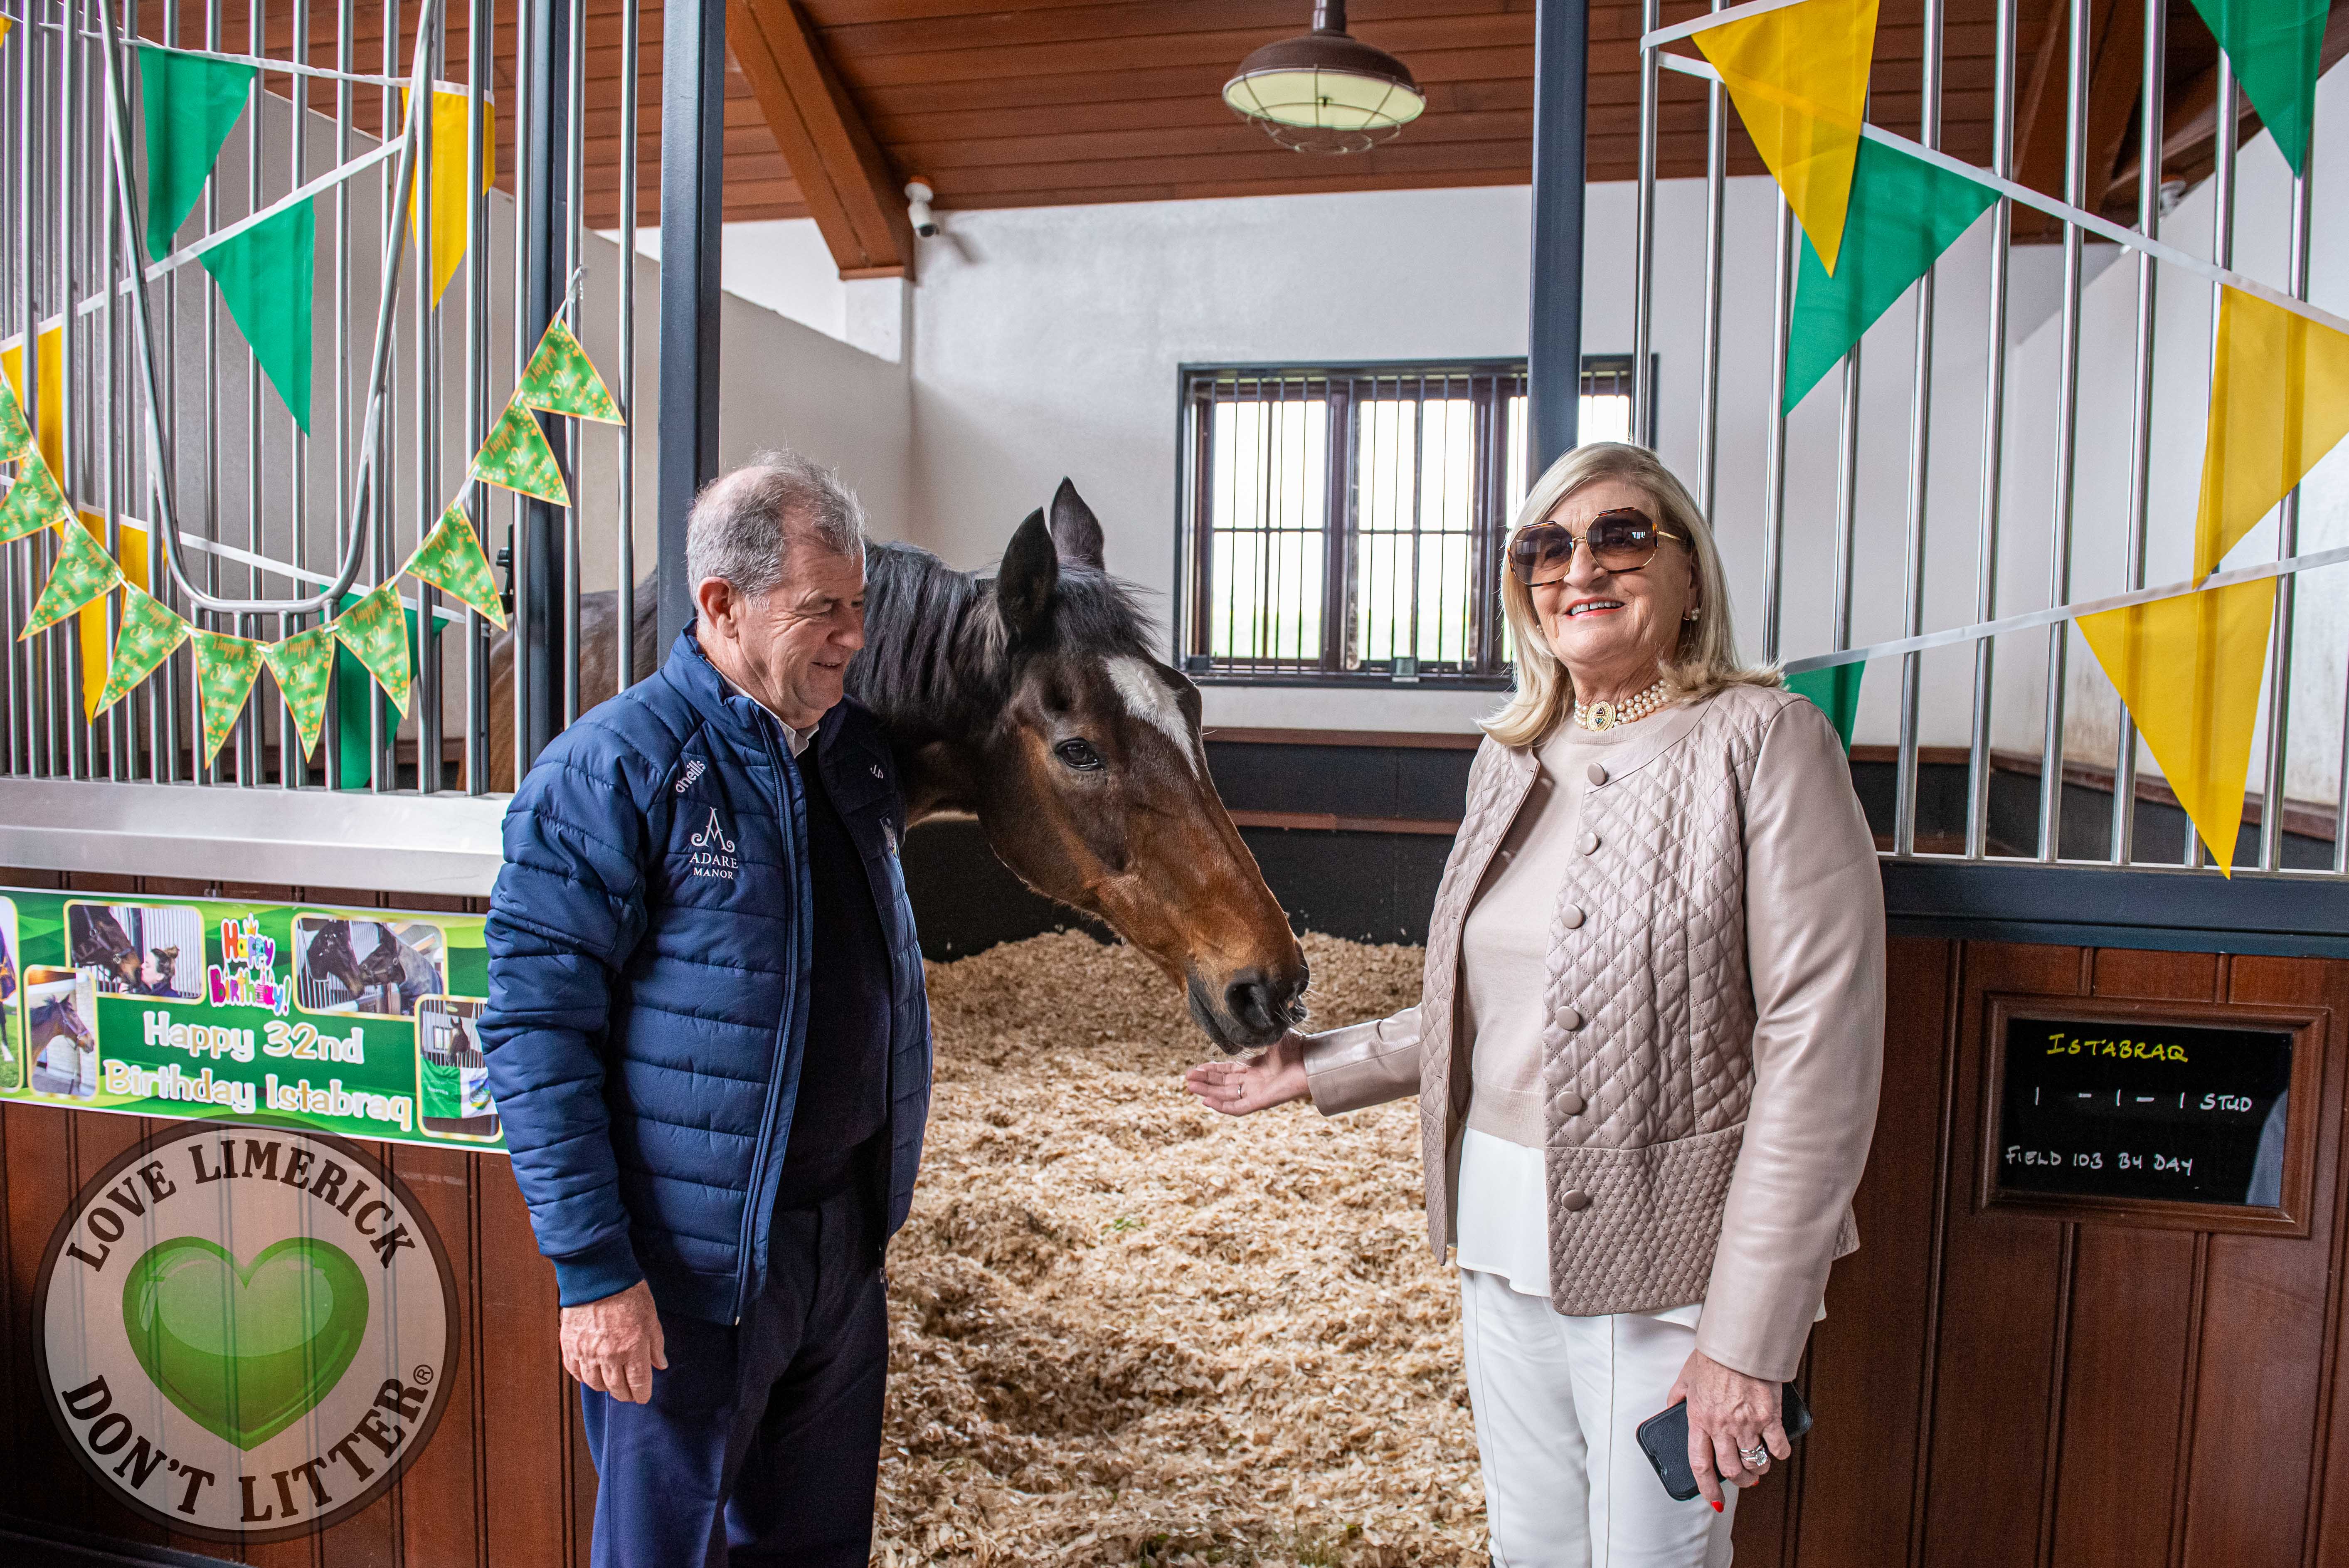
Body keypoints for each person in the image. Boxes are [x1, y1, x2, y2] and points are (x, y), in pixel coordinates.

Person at [1188, 441, 1884, 1567]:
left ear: (1690, 575)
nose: (1580, 569)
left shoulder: (1766, 741)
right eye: (1545, 549)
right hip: (1499, 1227)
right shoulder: (1511, 756)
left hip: (1671, 1255)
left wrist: (1748, 1338)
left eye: (1621, 536)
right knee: (1533, 1548)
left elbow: (1820, 1053)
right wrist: (1318, 1064)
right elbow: (1497, 1000)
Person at [481, 451, 932, 1568]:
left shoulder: (851, 758)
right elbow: (536, 1036)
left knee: (815, 1546)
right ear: (722, 605)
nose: (853, 637)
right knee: (667, 1551)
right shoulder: (610, 770)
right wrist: (595, 1272)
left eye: (859, 607)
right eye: (822, 609)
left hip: (837, 1247)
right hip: (687, 1272)